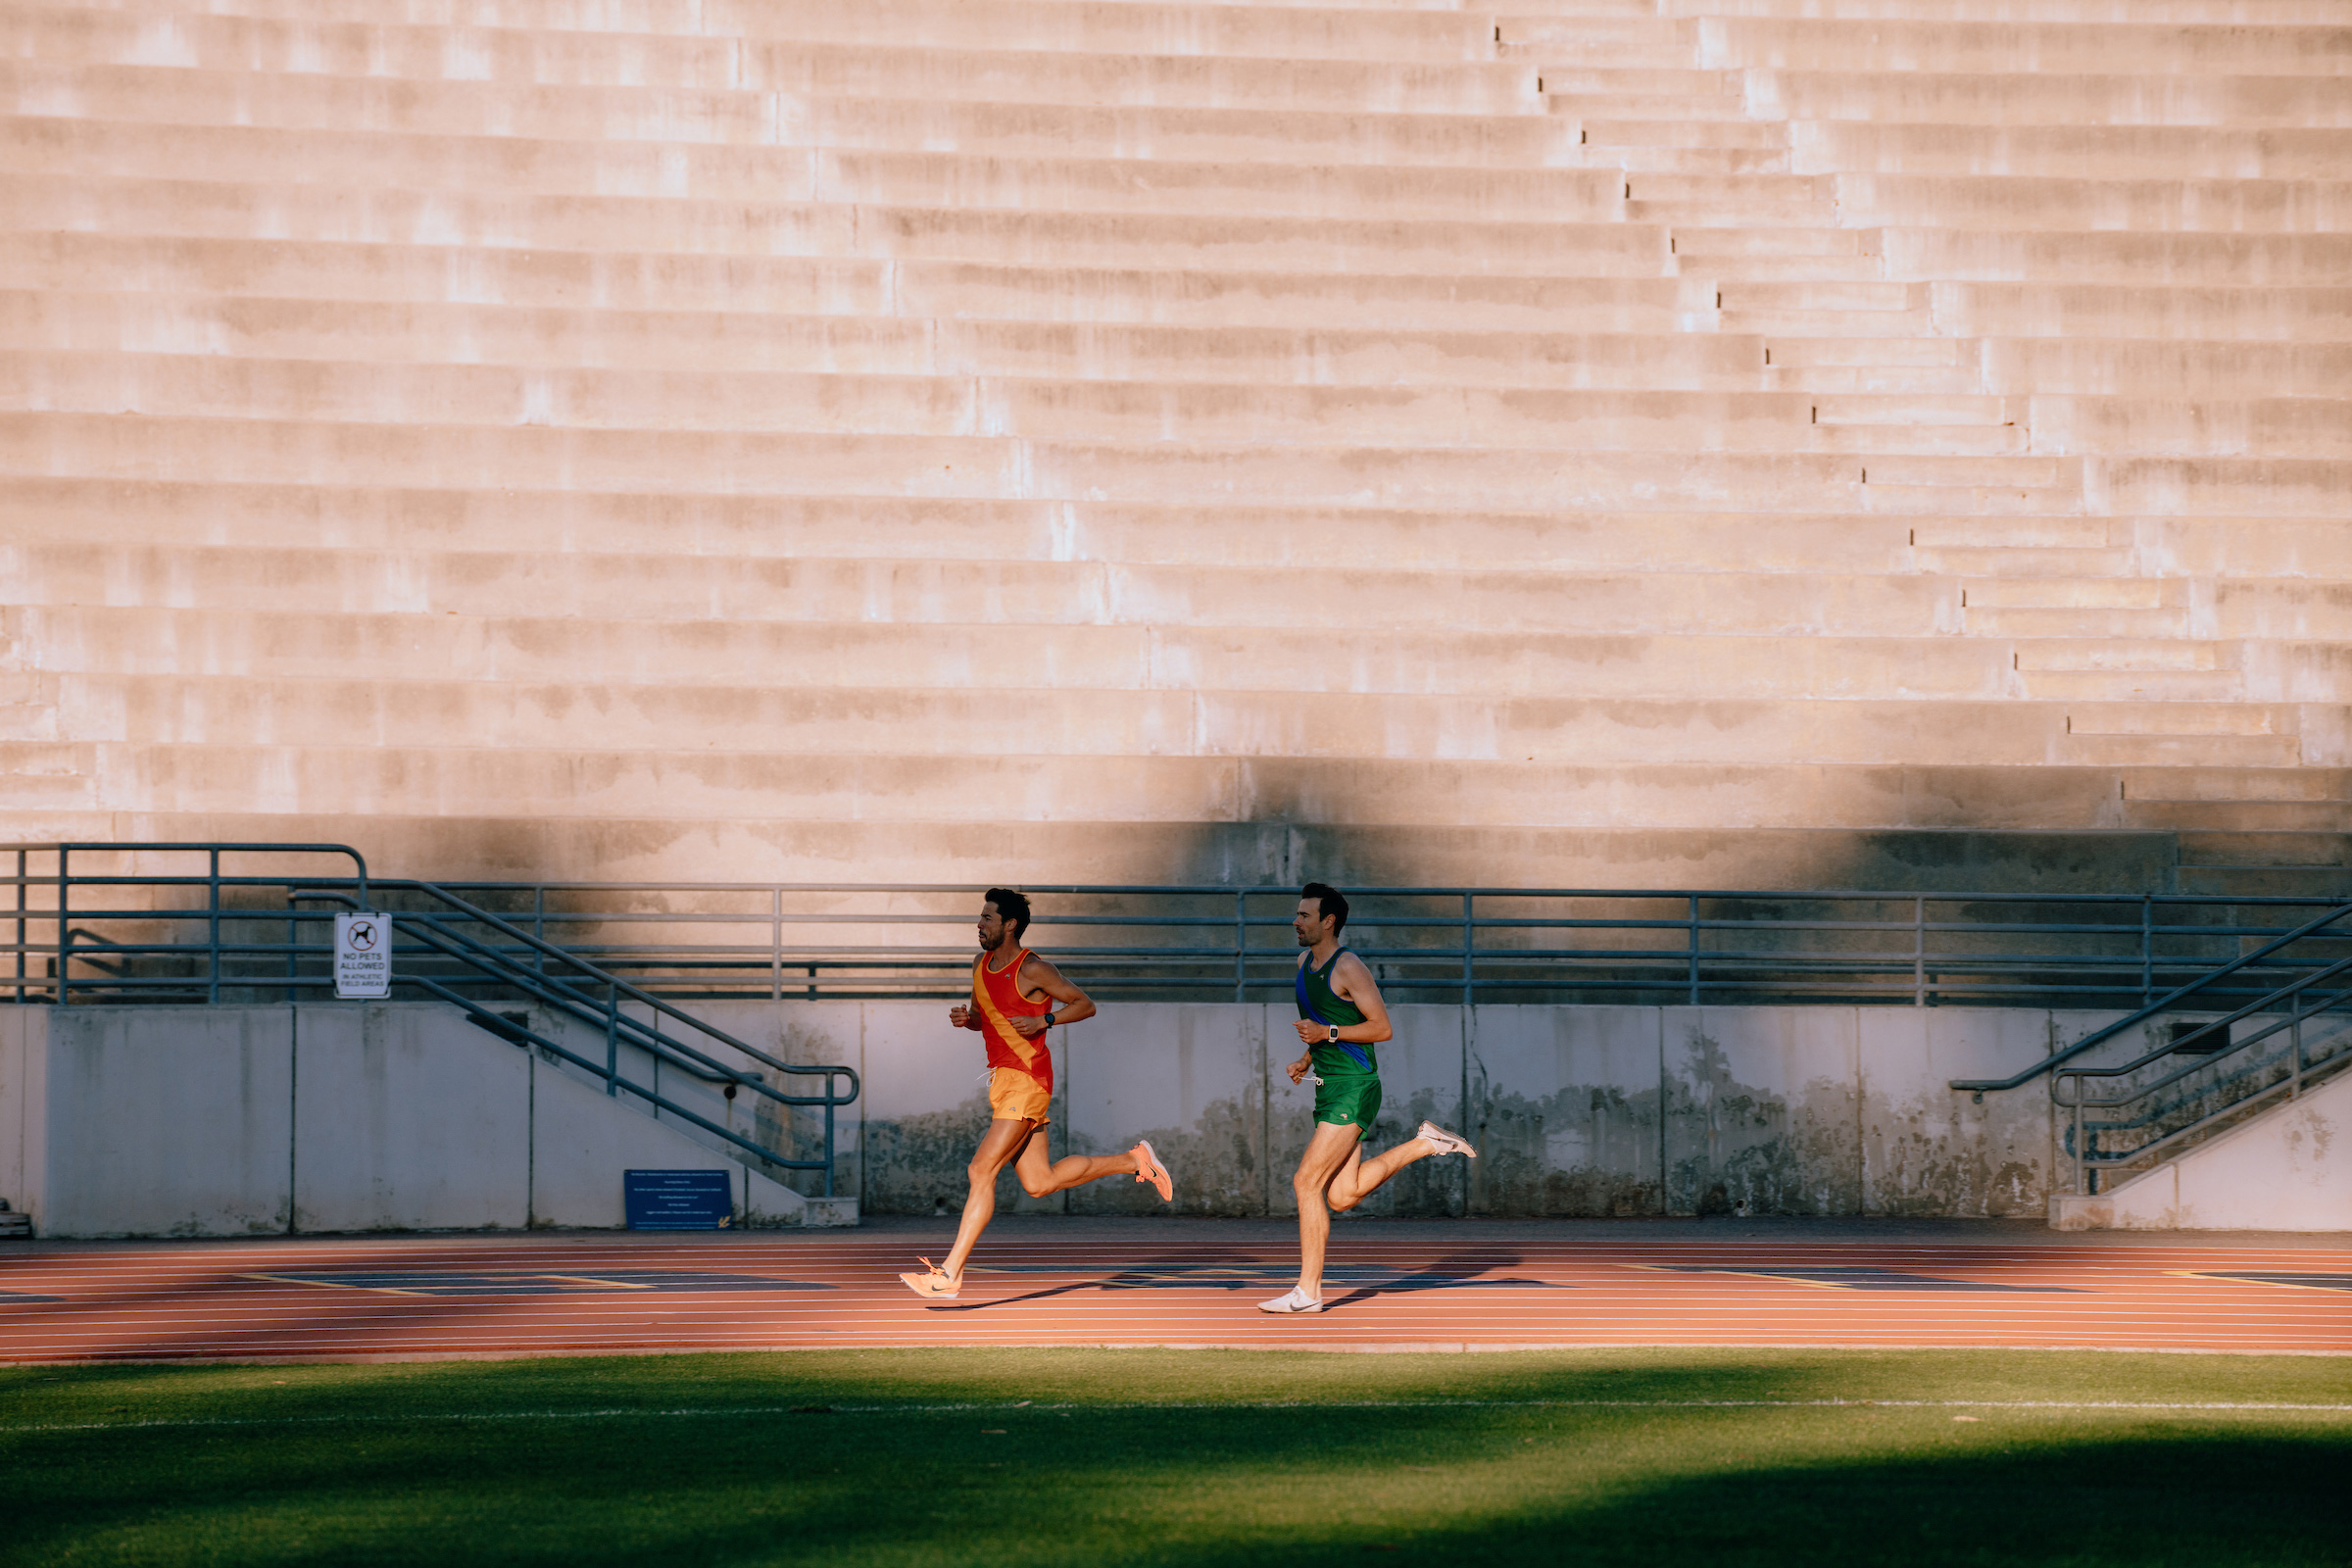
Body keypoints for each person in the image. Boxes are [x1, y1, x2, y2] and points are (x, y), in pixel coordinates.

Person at [899, 888, 1172, 1299]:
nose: (979, 924)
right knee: (1039, 1182)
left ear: (1010, 925)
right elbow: (984, 1018)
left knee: (980, 1170)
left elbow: (1085, 1004)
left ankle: (949, 1274)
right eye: (981, 917)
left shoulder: (1034, 969)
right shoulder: (980, 965)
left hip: (1028, 1080)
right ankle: (1133, 1159)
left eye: (988, 918)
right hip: (1002, 1081)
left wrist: (1045, 1019)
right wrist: (967, 1020)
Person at [1259, 882, 1476, 1315]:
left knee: (1307, 1182)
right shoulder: (1304, 962)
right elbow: (1327, 1021)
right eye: (1297, 914)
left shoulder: (1349, 966)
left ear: (1328, 921)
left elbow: (1381, 1027)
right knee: (1342, 1195)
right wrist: (1308, 1056)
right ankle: (1426, 1143)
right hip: (1328, 1085)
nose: (1296, 922)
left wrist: (1328, 1035)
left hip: (1355, 1087)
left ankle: (1308, 1292)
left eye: (1304, 915)